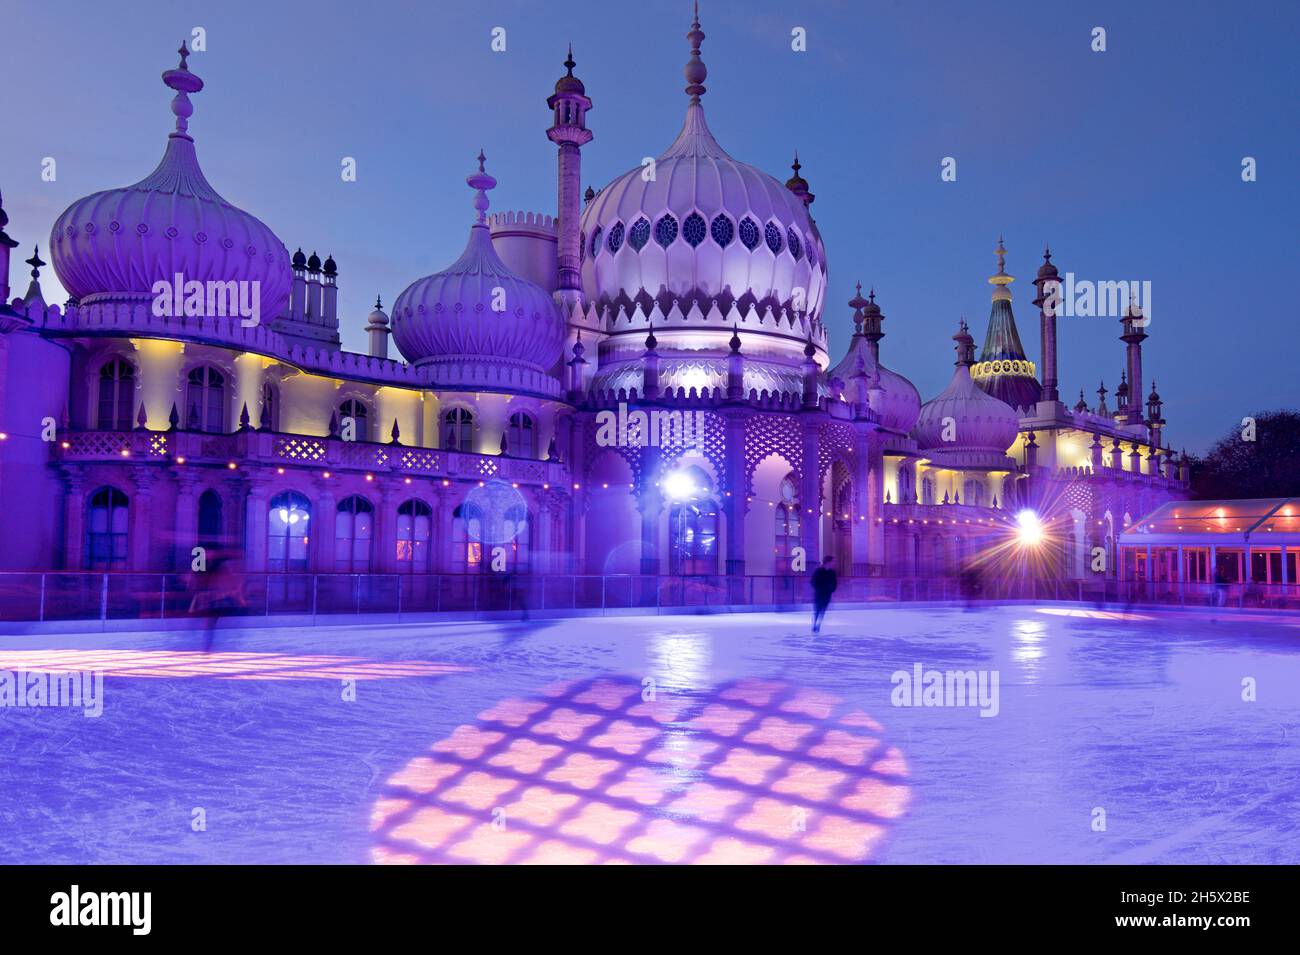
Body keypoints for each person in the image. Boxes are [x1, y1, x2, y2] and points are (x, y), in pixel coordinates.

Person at [810, 556, 837, 634]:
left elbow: (834, 583)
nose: (834, 563)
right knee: (818, 610)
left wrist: (831, 589)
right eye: (833, 561)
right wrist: (820, 589)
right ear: (828, 562)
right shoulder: (818, 571)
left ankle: (817, 625)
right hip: (819, 595)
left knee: (822, 611)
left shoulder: (832, 572)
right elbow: (813, 582)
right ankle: (815, 625)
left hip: (827, 595)